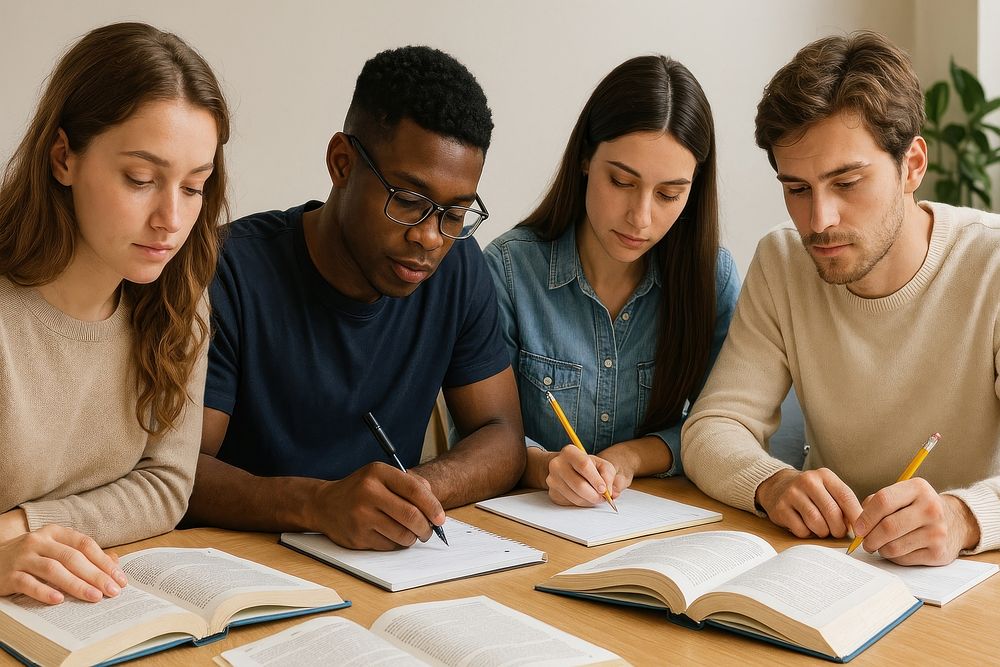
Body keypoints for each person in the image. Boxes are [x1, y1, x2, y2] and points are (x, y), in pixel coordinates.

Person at [185, 46, 524, 550]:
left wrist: (413, 495)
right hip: (242, 565)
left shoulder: (458, 266)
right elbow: (180, 474)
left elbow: (502, 436)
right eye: (408, 200)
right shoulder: (228, 270)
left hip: (385, 568)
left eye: (454, 213)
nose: (431, 238)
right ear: (341, 163)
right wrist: (319, 504)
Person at [682, 31, 1000, 565]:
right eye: (797, 189)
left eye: (847, 182)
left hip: (970, 579)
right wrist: (771, 483)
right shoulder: (782, 261)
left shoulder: (990, 265)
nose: (819, 221)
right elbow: (714, 427)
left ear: (912, 165)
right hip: (834, 566)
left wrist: (963, 517)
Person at [0, 22, 229, 603]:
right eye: (141, 179)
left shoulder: (178, 298)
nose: (172, 220)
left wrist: (20, 527)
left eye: (195, 186)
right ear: (63, 158)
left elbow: (168, 483)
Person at [484, 55, 739, 507]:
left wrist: (630, 457)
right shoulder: (508, 270)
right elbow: (481, 433)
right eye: (621, 182)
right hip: (531, 528)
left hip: (664, 532)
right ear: (585, 158)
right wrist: (548, 468)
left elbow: (723, 426)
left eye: (669, 194)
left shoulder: (710, 278)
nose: (640, 218)